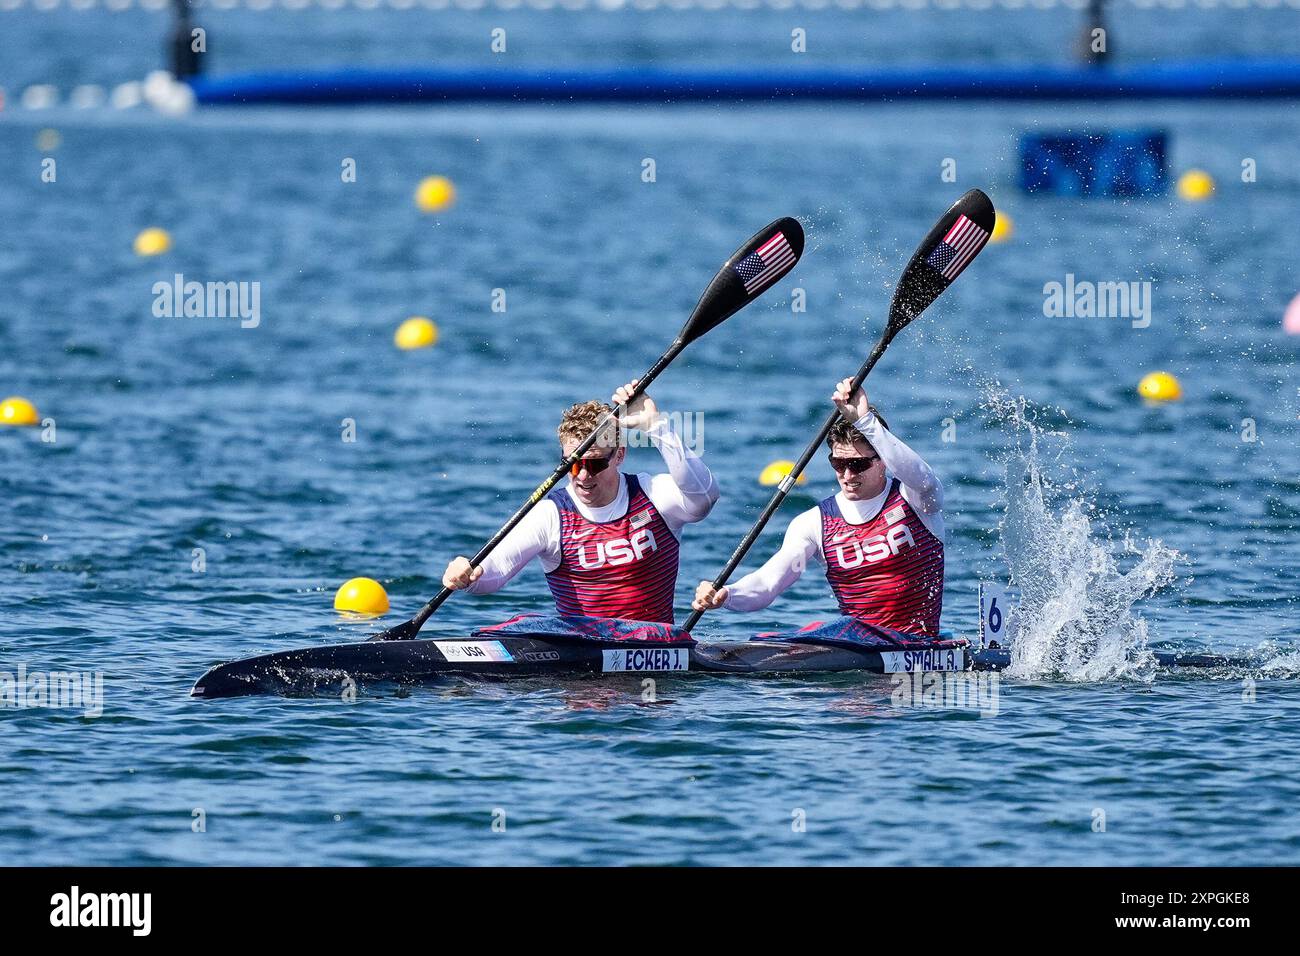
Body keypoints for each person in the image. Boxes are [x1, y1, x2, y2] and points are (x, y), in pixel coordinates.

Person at [443, 381, 719, 624]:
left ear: (619, 455)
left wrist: (656, 426)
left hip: (654, 657)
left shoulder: (652, 494)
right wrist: (469, 575)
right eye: (572, 464)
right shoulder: (552, 514)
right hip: (582, 664)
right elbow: (498, 569)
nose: (583, 476)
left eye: (596, 463)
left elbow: (704, 499)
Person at [692, 377, 945, 636]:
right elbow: (769, 583)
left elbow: (924, 478)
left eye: (857, 465)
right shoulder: (814, 523)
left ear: (882, 461)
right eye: (838, 464)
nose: (847, 475)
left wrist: (865, 420)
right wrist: (726, 595)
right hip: (855, 646)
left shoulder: (914, 498)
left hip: (914, 642)